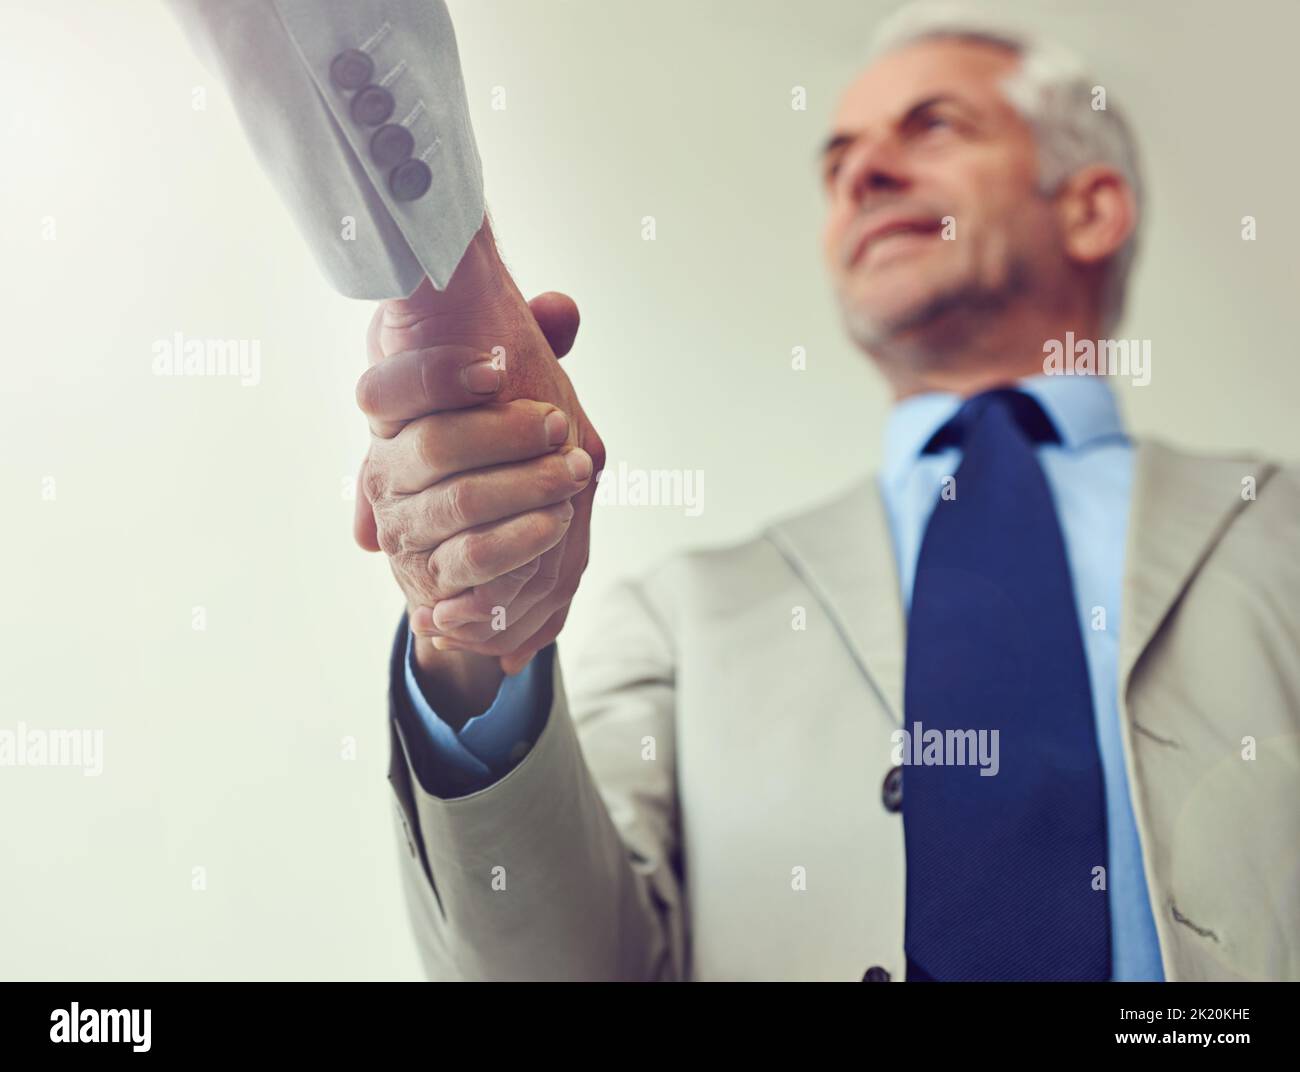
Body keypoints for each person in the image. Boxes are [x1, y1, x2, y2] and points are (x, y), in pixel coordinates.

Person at [173, 1, 1300, 981]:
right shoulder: (686, 618)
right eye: (838, 158)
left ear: (1091, 208)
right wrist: (478, 635)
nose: (863, 172)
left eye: (934, 126)